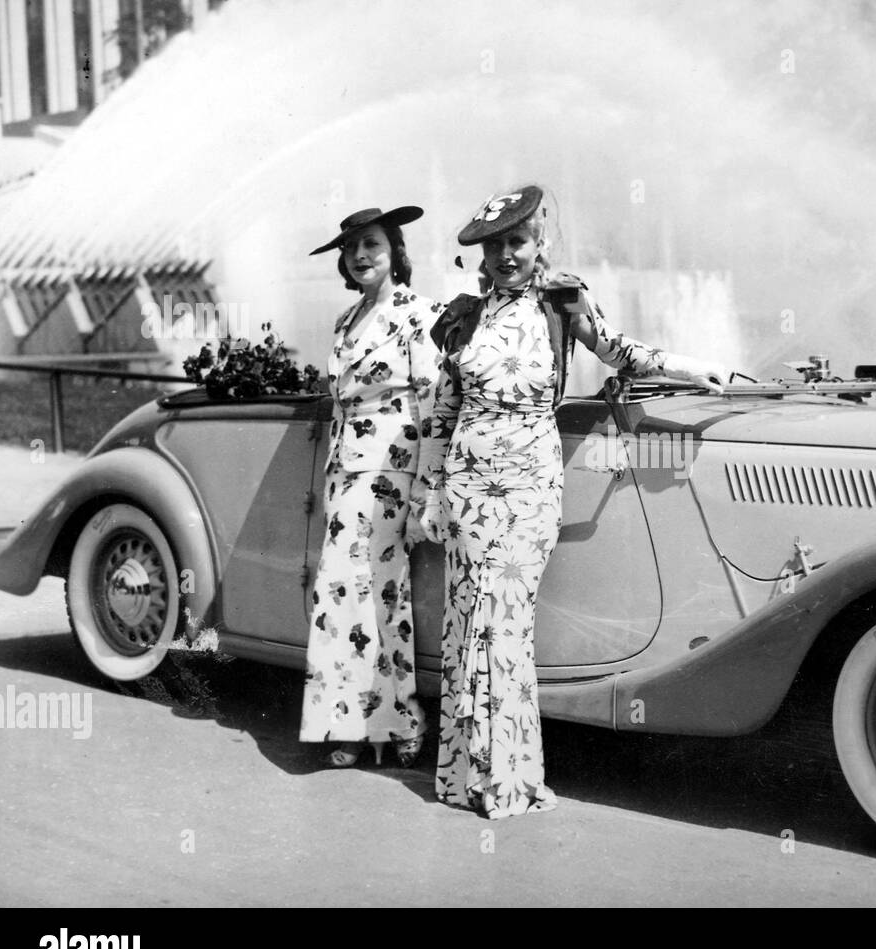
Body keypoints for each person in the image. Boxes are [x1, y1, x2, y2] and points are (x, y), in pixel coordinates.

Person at [416, 185, 728, 817]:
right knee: (469, 620)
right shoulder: (463, 317)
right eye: (497, 245)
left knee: (506, 620)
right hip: (468, 482)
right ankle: (468, 775)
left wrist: (693, 370)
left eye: (518, 242)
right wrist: (429, 489)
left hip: (531, 480)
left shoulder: (563, 303)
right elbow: (441, 413)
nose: (507, 255)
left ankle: (507, 780)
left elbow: (621, 352)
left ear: (540, 244)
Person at [299, 205, 442, 767]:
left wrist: (424, 491)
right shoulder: (345, 321)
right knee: (351, 596)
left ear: (395, 252)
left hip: (390, 473)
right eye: (353, 246)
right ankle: (367, 724)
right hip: (344, 475)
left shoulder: (417, 314)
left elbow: (431, 401)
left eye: (373, 244)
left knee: (371, 594)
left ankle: (388, 722)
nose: (362, 255)